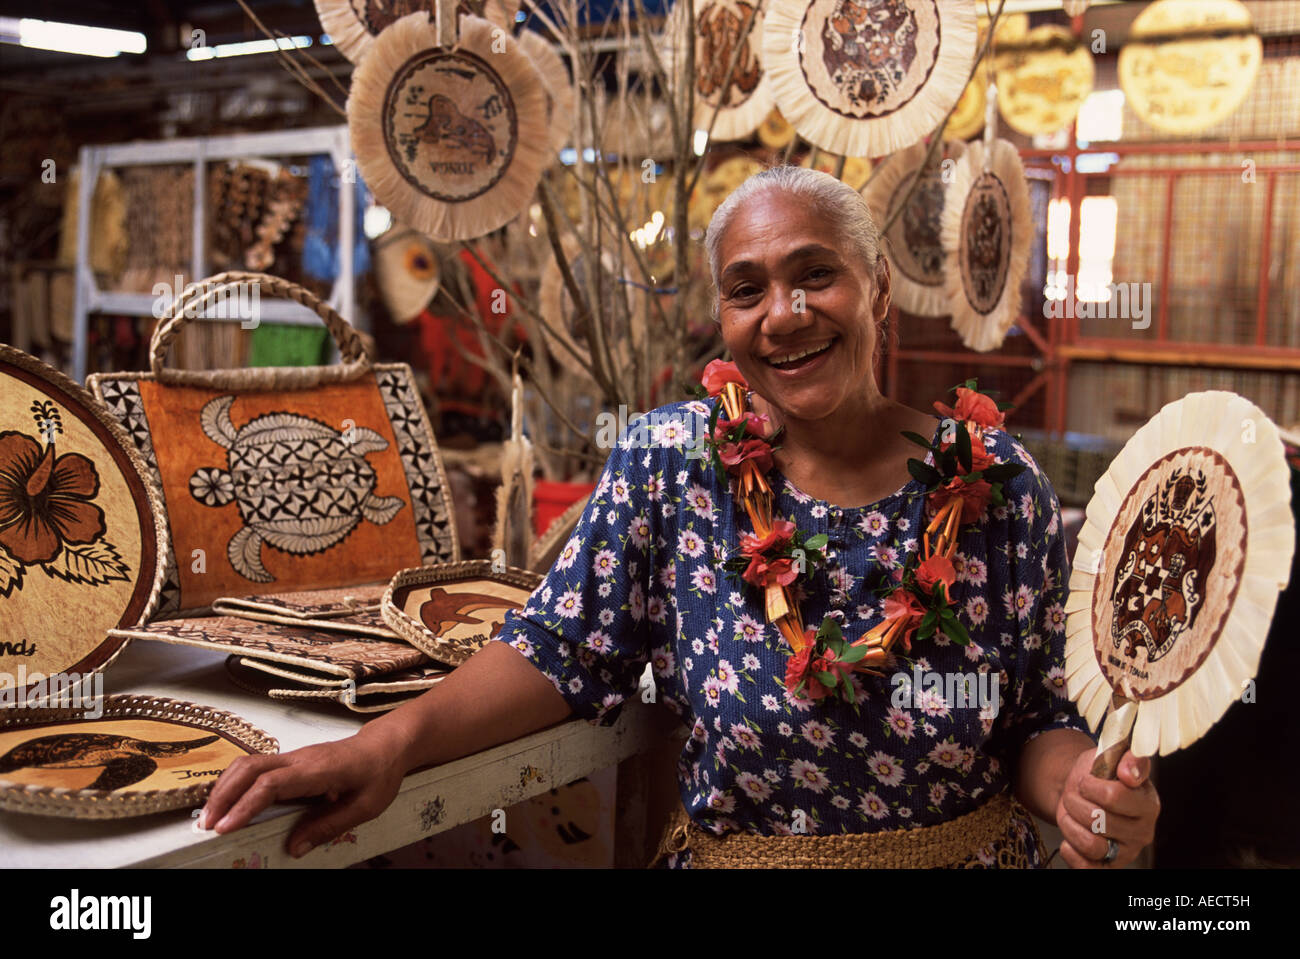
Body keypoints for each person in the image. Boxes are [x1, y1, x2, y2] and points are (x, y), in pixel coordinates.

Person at [200, 166, 1160, 868]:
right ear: (723, 316)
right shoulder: (674, 464)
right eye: (747, 289)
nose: (781, 313)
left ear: (877, 288)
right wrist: (385, 744)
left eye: (814, 274)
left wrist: (1081, 790)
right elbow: (558, 647)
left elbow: (1039, 714)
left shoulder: (997, 485)